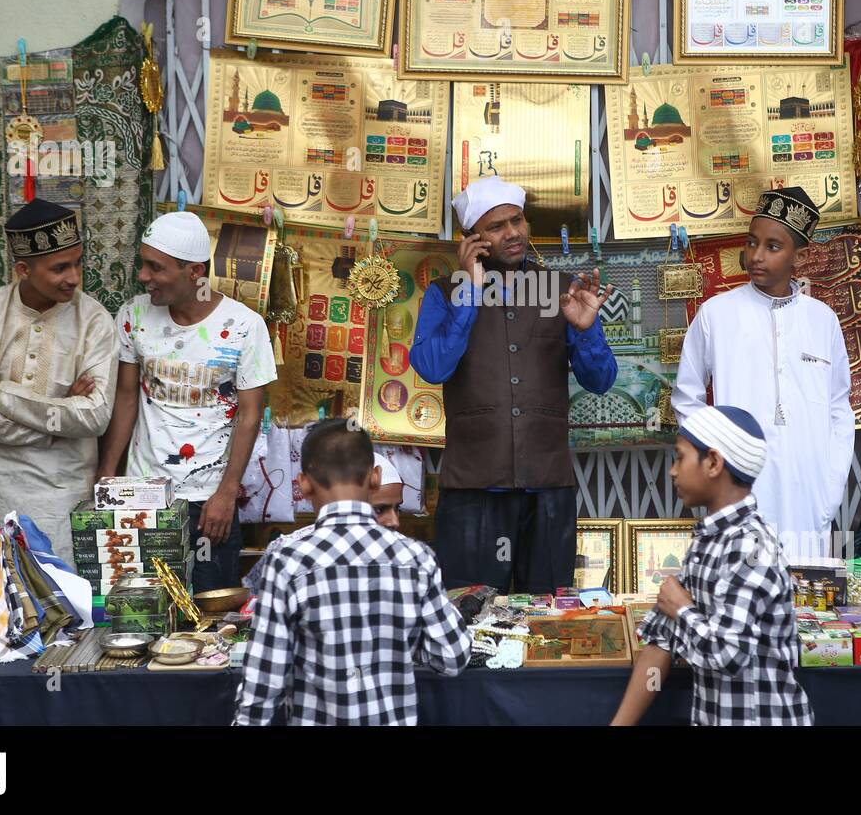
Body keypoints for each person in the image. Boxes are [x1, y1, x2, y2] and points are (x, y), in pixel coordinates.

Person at [410, 177, 617, 593]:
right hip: (473, 489)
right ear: (472, 240)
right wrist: (469, 291)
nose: (513, 233)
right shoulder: (444, 293)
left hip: (547, 488)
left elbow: (600, 381)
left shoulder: (558, 290)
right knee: (469, 609)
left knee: (545, 612)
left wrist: (587, 331)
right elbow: (432, 368)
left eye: (517, 220)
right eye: (497, 227)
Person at [234, 420, 471, 725]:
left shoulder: (286, 560)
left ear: (304, 484)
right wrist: (400, 644)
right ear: (374, 478)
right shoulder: (415, 558)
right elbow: (452, 656)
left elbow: (263, 683)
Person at [97, 211, 276, 593]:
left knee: (208, 616)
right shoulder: (134, 315)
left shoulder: (244, 326)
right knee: (138, 605)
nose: (143, 276)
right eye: (143, 264)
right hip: (142, 495)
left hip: (208, 500)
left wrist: (226, 493)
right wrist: (108, 474)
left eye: (155, 267)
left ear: (194, 272)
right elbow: (127, 396)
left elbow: (249, 416)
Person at [672, 187, 853, 554]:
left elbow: (839, 410)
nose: (756, 256)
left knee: (804, 600)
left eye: (773, 246)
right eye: (752, 242)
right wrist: (716, 473)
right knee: (739, 597)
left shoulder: (823, 320)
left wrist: (830, 490)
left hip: (809, 495)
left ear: (798, 256)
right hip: (739, 491)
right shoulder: (716, 314)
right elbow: (687, 399)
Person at [611, 405, 813, 726]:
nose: (673, 471)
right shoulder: (708, 541)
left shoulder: (752, 547)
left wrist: (682, 609)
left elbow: (728, 655)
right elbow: (661, 642)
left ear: (714, 463)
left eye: (679, 457)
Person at [0, 201, 116, 560]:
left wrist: (3, 396)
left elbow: (94, 417)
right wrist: (54, 426)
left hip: (62, 492)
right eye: (60, 268)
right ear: (24, 269)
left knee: (62, 603)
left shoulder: (95, 322)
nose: (74, 277)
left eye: (78, 262)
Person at [242, 451, 406, 590]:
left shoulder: (408, 557)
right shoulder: (289, 551)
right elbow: (254, 602)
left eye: (397, 508)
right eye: (378, 510)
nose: (393, 521)